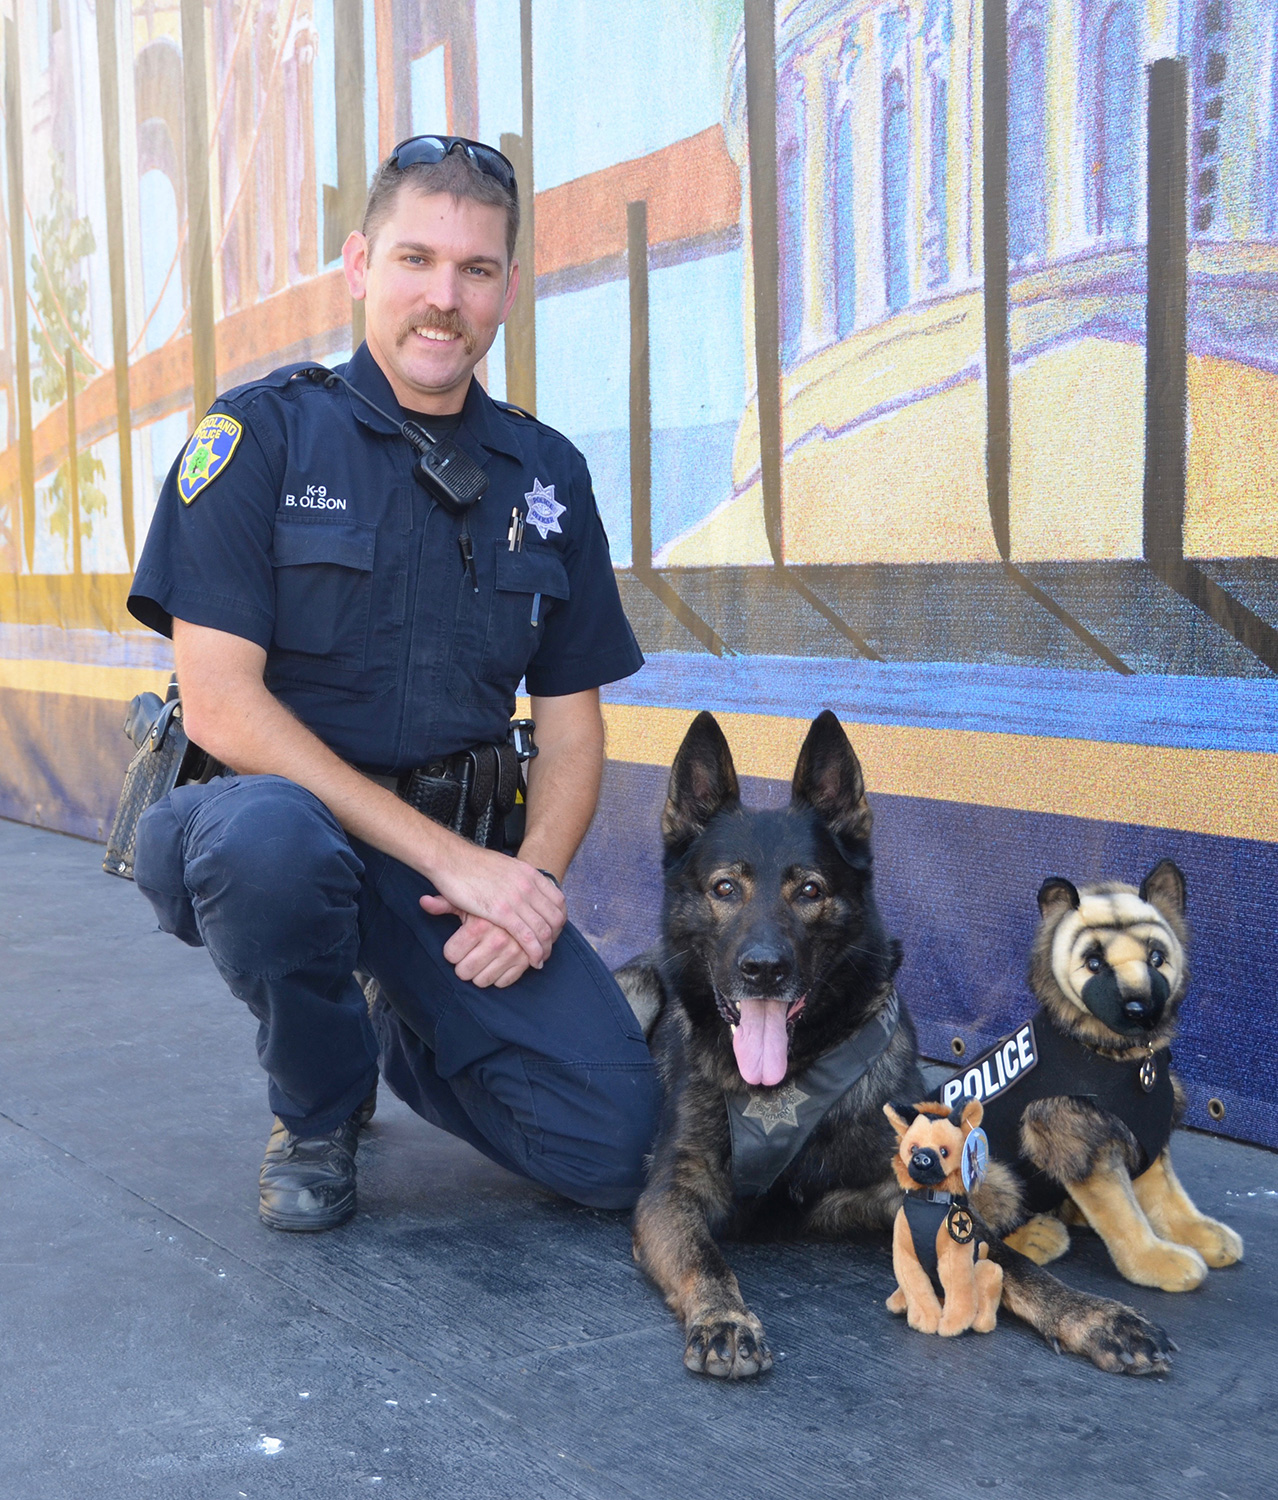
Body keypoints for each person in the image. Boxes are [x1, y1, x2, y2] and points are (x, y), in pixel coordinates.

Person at [126, 136, 660, 1231]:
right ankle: (319, 1105)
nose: (442, 298)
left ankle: (405, 1021)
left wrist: (531, 890)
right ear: (359, 265)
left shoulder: (544, 472)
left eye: (474, 270)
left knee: (611, 1150)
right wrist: (461, 863)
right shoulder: (259, 436)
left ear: (509, 290)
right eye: (417, 259)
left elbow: (569, 728)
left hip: (441, 877)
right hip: (269, 832)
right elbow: (223, 704)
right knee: (270, 853)